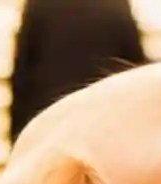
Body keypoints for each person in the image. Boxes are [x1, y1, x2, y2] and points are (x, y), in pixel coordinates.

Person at [9, 0, 147, 143]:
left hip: (50, 116)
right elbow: (134, 68)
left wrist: (17, 137)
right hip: (102, 117)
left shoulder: (39, 4)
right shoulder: (116, 4)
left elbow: (23, 71)